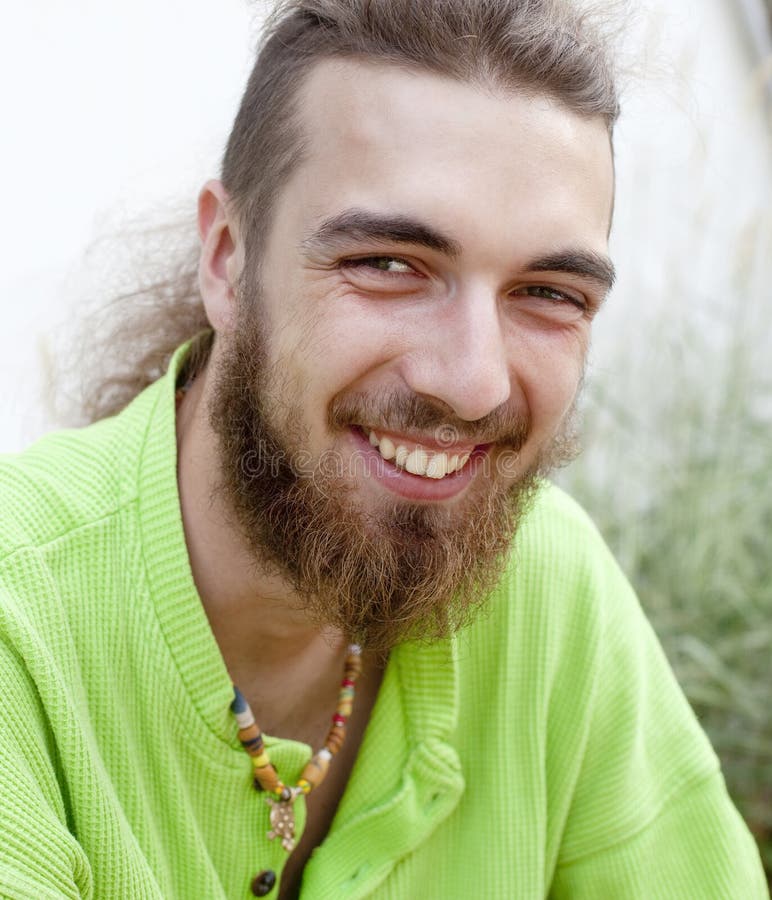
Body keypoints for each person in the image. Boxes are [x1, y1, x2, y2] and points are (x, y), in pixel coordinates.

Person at [0, 0, 767, 897]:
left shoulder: (549, 590)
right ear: (226, 259)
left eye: (548, 293)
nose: (472, 382)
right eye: (389, 264)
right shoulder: (23, 626)